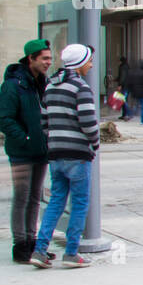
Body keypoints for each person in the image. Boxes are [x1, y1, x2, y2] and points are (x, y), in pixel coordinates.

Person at [31, 44, 100, 269]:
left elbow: (43, 122)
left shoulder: (51, 86)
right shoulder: (81, 87)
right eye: (89, 61)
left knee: (56, 202)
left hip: (56, 153)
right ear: (80, 63)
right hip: (78, 153)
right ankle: (71, 253)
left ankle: (40, 250)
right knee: (79, 203)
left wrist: (55, 141)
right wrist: (95, 142)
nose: (91, 65)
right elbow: (88, 122)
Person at [0, 38, 52, 264]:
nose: (49, 62)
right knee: (22, 197)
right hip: (22, 151)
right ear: (31, 59)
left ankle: (32, 242)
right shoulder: (13, 85)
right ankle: (20, 245)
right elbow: (4, 119)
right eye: (45, 58)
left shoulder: (43, 83)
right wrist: (26, 138)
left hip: (41, 151)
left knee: (35, 198)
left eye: (50, 58)